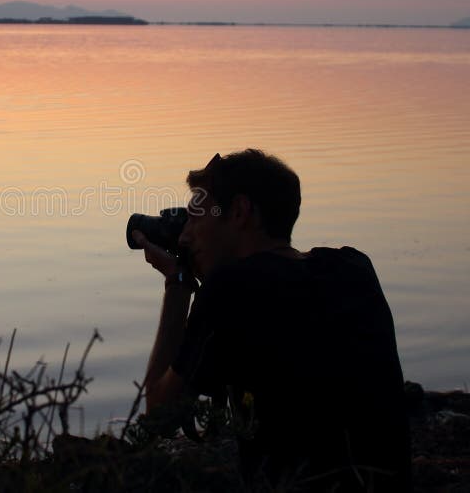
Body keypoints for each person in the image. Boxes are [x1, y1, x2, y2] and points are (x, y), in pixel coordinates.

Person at [133, 149, 411, 491]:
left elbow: (157, 414)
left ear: (239, 212)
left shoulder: (230, 291)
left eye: (195, 218)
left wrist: (178, 285)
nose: (185, 237)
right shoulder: (354, 267)